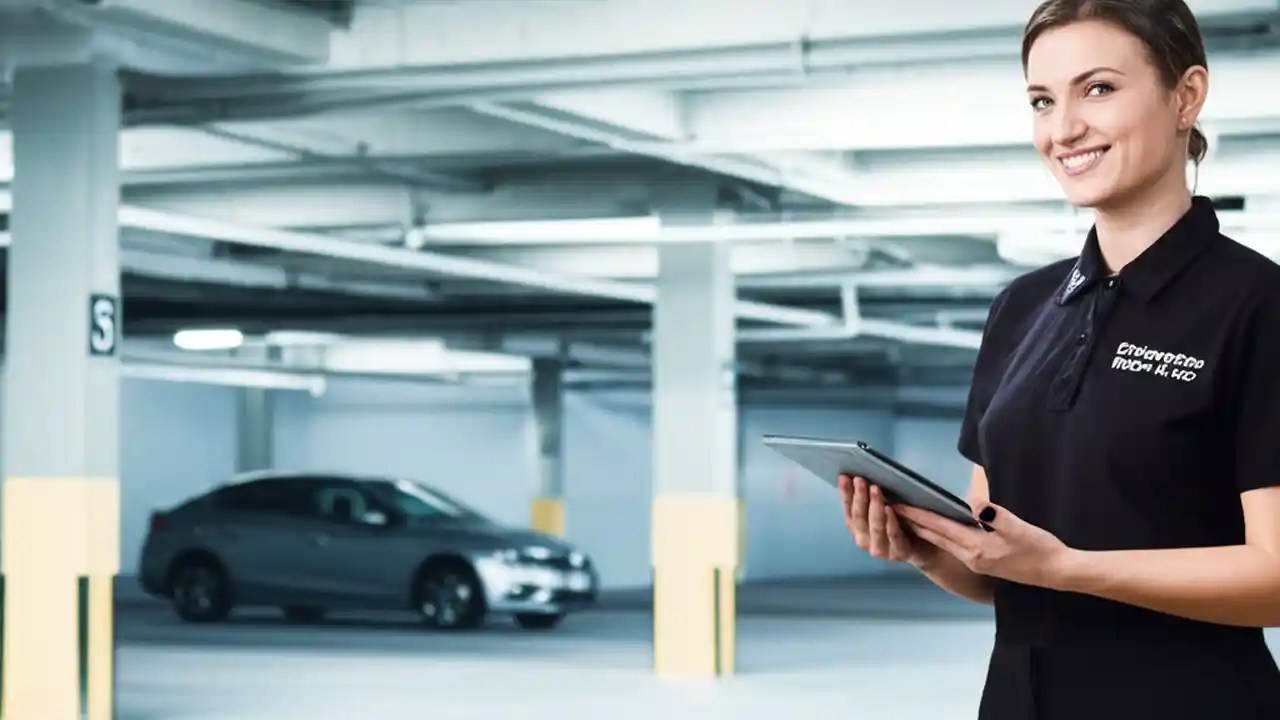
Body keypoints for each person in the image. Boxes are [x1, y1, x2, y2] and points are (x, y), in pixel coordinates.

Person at [837, 0, 1280, 717]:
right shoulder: (1021, 308)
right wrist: (928, 548)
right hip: (1018, 699)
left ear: (1186, 96)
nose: (1063, 129)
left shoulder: (1257, 305)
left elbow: (1276, 574)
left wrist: (1069, 570)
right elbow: (996, 564)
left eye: (1097, 89)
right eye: (1043, 101)